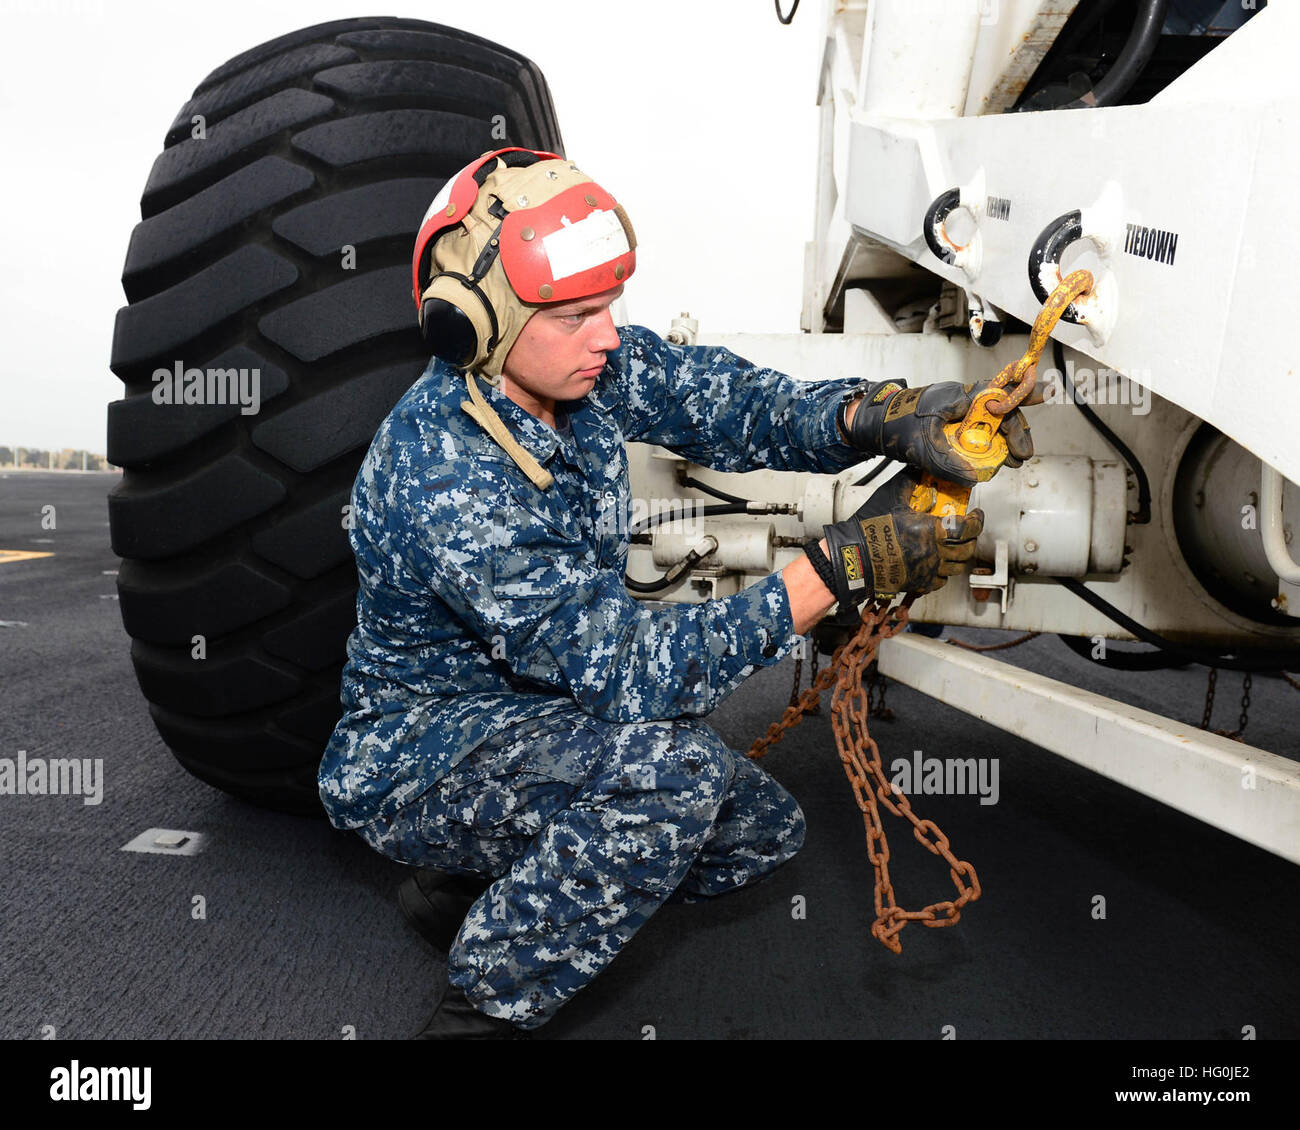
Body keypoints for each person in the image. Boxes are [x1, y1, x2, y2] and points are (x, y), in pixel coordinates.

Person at [317, 147, 1032, 1038]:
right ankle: (485, 1005)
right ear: (477, 324)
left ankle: (456, 893)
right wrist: (841, 568)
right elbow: (631, 671)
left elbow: (737, 403)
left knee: (761, 830)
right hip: (418, 749)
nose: (607, 334)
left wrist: (880, 414)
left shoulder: (590, 372)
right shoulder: (443, 469)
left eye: (610, 305)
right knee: (672, 781)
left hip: (546, 709)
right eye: (577, 315)